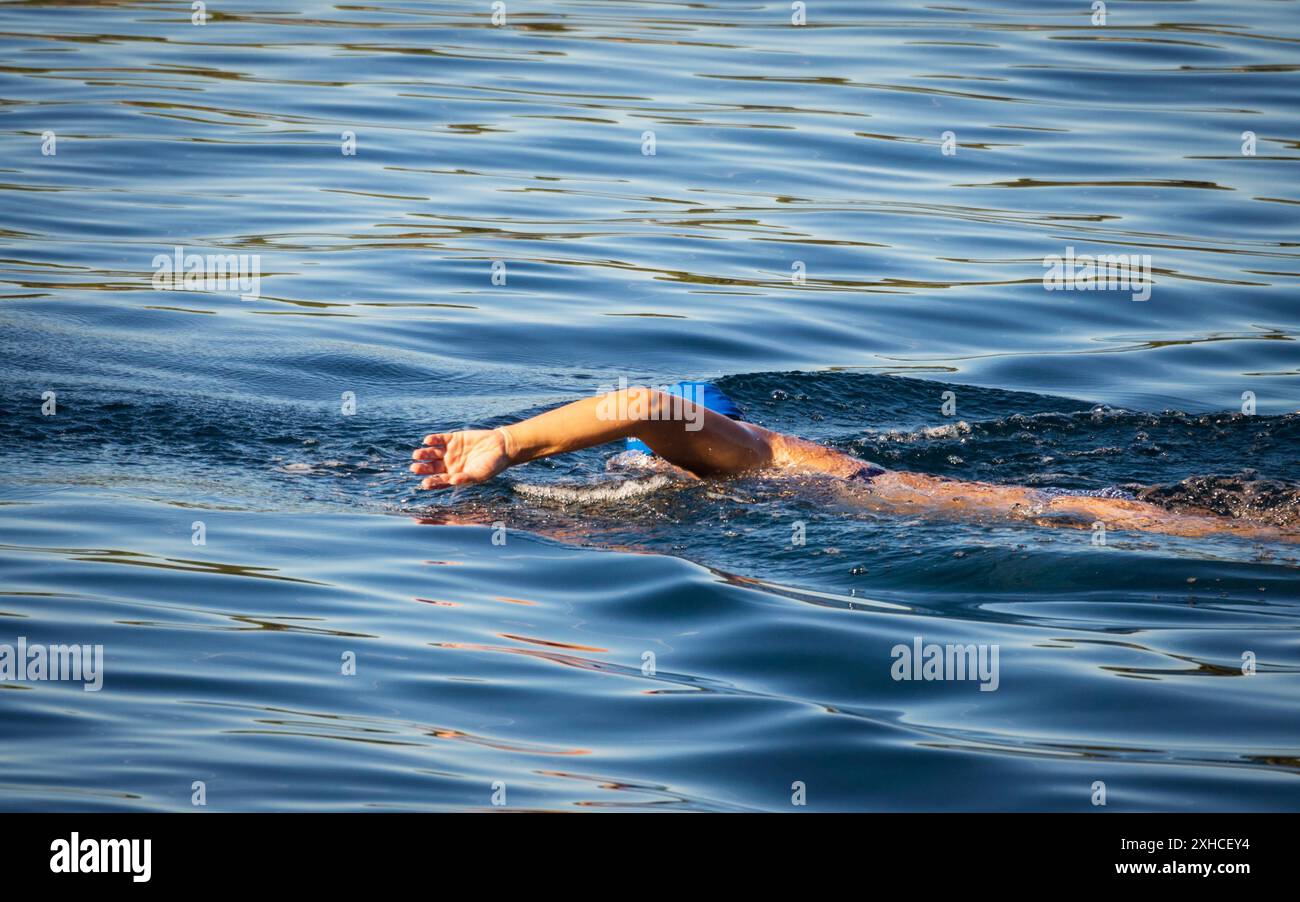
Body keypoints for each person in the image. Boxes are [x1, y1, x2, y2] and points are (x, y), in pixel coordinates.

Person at [410, 381, 1294, 542]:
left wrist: (508, 442)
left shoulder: (742, 452)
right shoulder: (737, 465)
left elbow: (644, 408)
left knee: (1108, 516)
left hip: (943, 509)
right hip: (908, 502)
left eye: (627, 455)